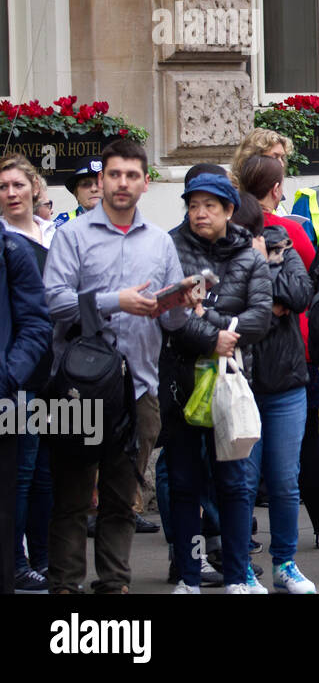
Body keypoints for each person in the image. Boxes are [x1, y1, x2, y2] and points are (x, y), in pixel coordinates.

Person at [43, 138, 196, 594]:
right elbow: (55, 302)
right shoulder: (73, 235)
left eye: (132, 175)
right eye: (114, 175)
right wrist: (118, 302)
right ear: (101, 180)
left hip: (139, 390)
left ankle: (114, 584)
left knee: (122, 500)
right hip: (78, 388)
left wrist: (181, 304)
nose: (123, 183)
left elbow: (170, 319)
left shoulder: (159, 243)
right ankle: (65, 586)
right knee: (71, 500)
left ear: (146, 182)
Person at [159, 175, 273, 593]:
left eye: (210, 205)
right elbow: (168, 313)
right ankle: (189, 576)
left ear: (229, 210)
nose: (200, 213)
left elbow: (262, 317)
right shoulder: (170, 247)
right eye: (193, 205)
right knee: (185, 483)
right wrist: (215, 333)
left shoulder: (249, 253)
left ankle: (239, 576)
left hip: (232, 381)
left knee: (235, 483)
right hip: (182, 380)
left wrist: (209, 319)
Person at [238, 154, 319, 549]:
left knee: (251, 457)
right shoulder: (284, 230)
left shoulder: (270, 233)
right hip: (292, 353)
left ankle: (246, 536)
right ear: (276, 188)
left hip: (271, 355)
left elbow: (299, 288)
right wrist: (275, 300)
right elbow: (313, 278)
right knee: (303, 448)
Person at [230, 193, 318, 593]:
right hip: (240, 384)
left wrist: (266, 262)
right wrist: (268, 306)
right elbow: (230, 308)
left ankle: (285, 561)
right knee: (243, 482)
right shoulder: (223, 255)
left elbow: (302, 294)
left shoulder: (281, 240)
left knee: (285, 481)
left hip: (286, 382)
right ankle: (241, 566)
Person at [1, 155, 59, 592]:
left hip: (60, 368)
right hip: (20, 377)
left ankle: (44, 556)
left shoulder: (57, 235)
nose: (11, 193)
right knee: (22, 470)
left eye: (18, 185)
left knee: (45, 471)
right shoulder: (7, 243)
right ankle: (17, 560)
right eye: (3, 187)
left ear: (34, 188)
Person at [230, 128, 294, 193]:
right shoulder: (231, 197)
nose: (282, 164)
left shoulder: (275, 194)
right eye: (275, 157)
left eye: (282, 158)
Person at [53, 158, 102, 228]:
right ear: (76, 193)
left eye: (100, 183)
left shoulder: (122, 221)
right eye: (86, 184)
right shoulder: (63, 225)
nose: (94, 189)